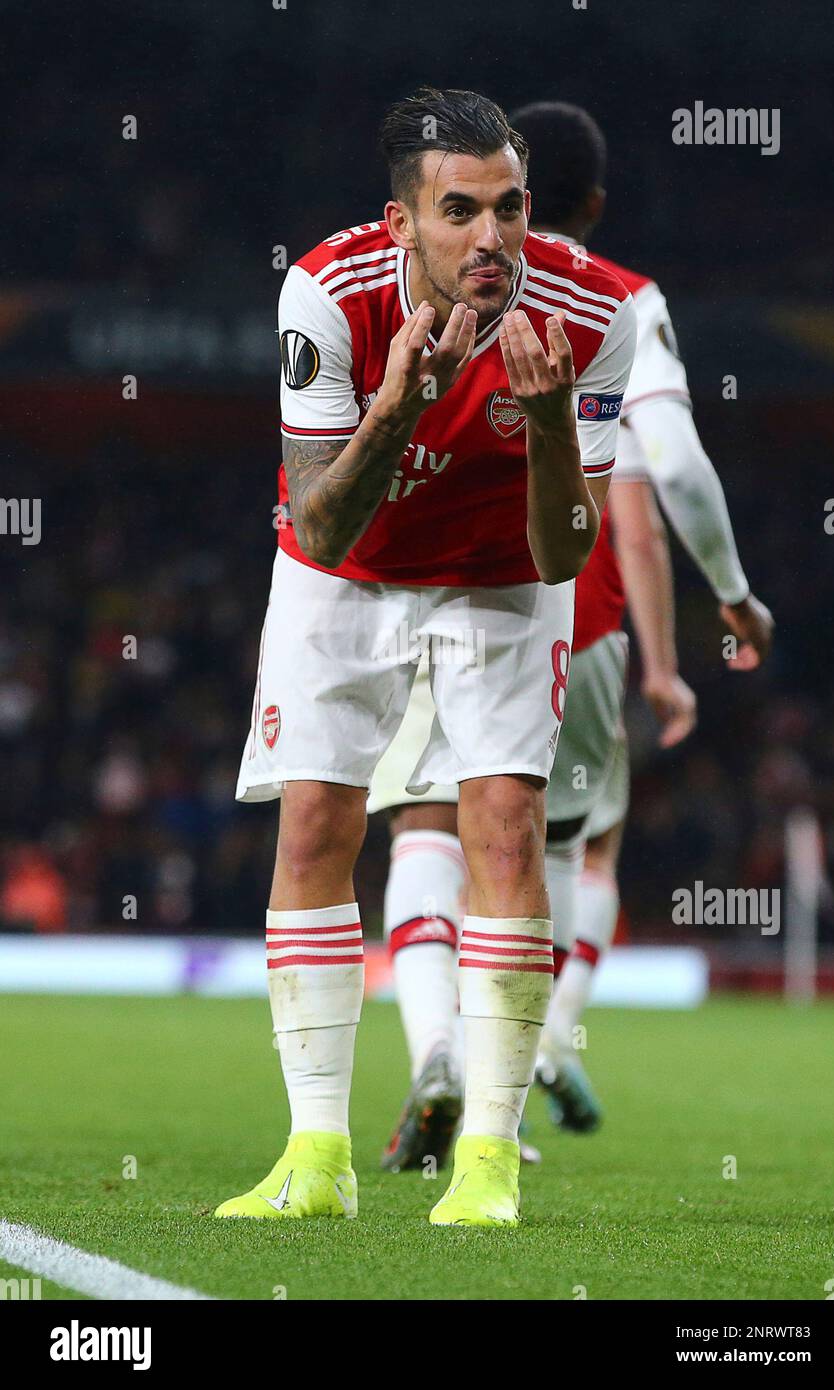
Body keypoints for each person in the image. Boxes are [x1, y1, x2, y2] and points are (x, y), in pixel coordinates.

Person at [214, 87, 636, 1228]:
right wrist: (400, 402)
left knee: (503, 826)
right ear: (402, 222)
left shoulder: (594, 313)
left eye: (509, 206)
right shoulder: (326, 292)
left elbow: (563, 552)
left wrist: (548, 424)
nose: (490, 237)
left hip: (505, 576)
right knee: (315, 826)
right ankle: (316, 1158)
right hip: (345, 571)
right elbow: (324, 520)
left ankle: (488, 1165)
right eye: (459, 210)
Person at [371, 101, 773, 1172]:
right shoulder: (620, 301)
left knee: (423, 826)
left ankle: (435, 1053)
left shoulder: (447, 275)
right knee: (553, 851)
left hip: (434, 577)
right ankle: (534, 1051)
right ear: (594, 204)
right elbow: (657, 485)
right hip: (571, 614)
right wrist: (721, 606)